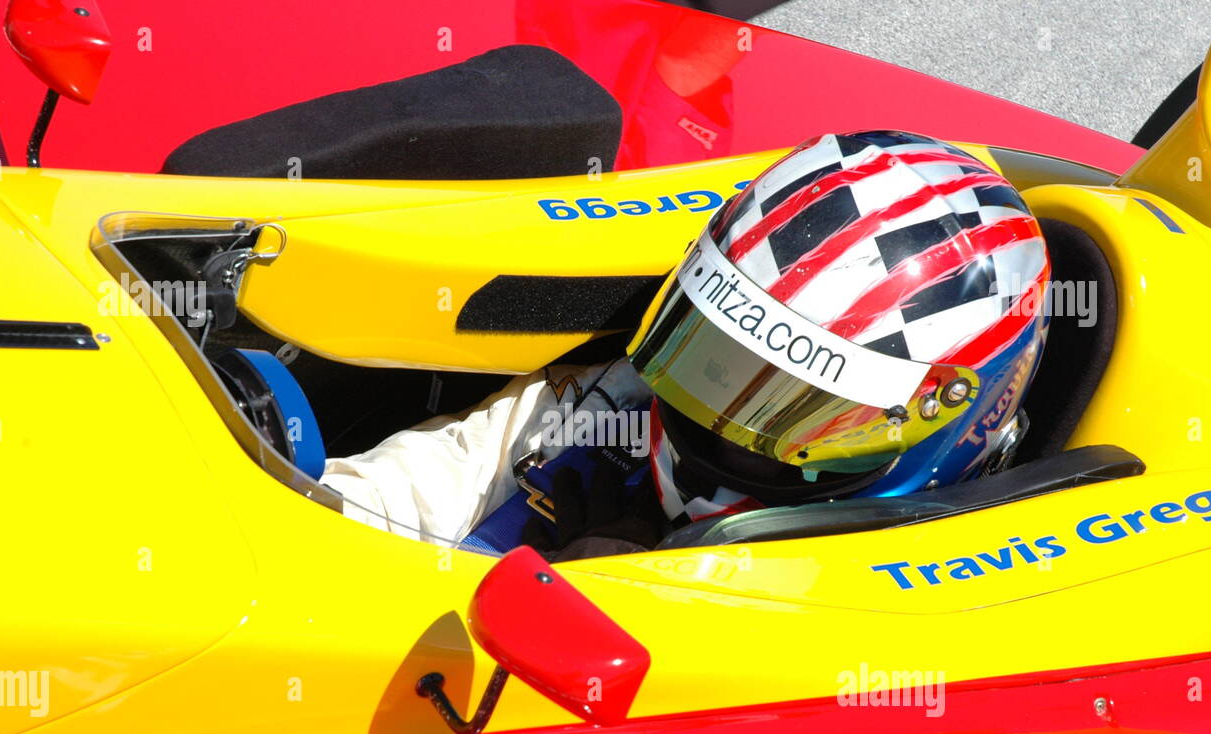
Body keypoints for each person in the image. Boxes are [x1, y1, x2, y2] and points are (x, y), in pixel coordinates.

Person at [321, 130, 1051, 560]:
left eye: (800, 405)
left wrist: (621, 594)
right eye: (718, 356)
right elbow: (389, 497)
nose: (718, 414)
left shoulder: (958, 608)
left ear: (948, 415)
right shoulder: (616, 409)